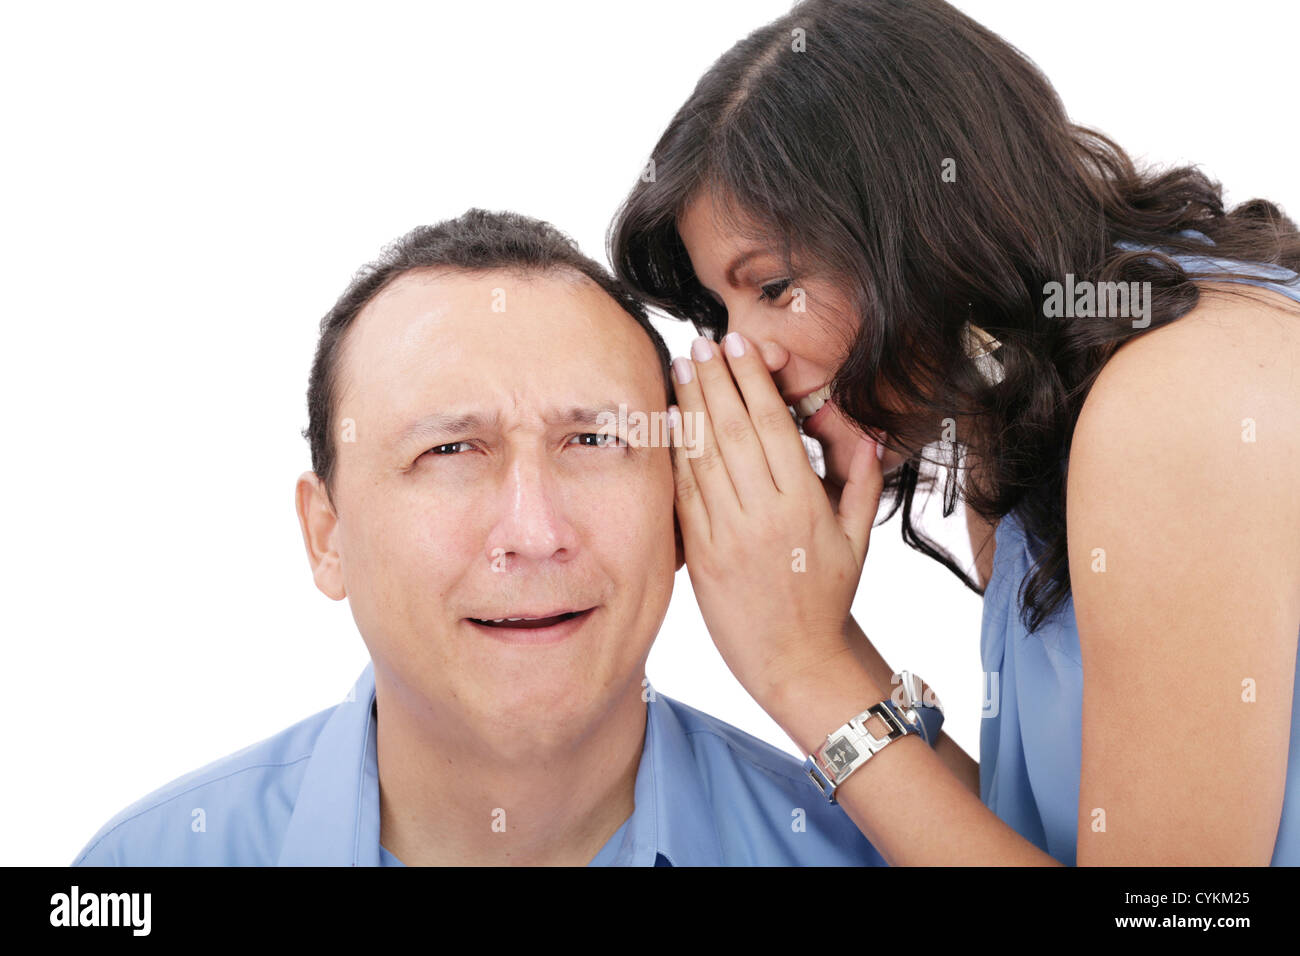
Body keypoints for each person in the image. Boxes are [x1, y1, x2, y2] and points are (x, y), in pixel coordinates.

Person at [608, 0, 1300, 864]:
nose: (752, 355)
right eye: (723, 307)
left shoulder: (1173, 408)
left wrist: (801, 669)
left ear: (921, 227)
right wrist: (816, 638)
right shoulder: (1013, 416)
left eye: (775, 285)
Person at [70, 209, 900, 866]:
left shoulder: (874, 854)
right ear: (326, 537)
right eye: (449, 451)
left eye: (595, 441)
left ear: (684, 504)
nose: (534, 534)